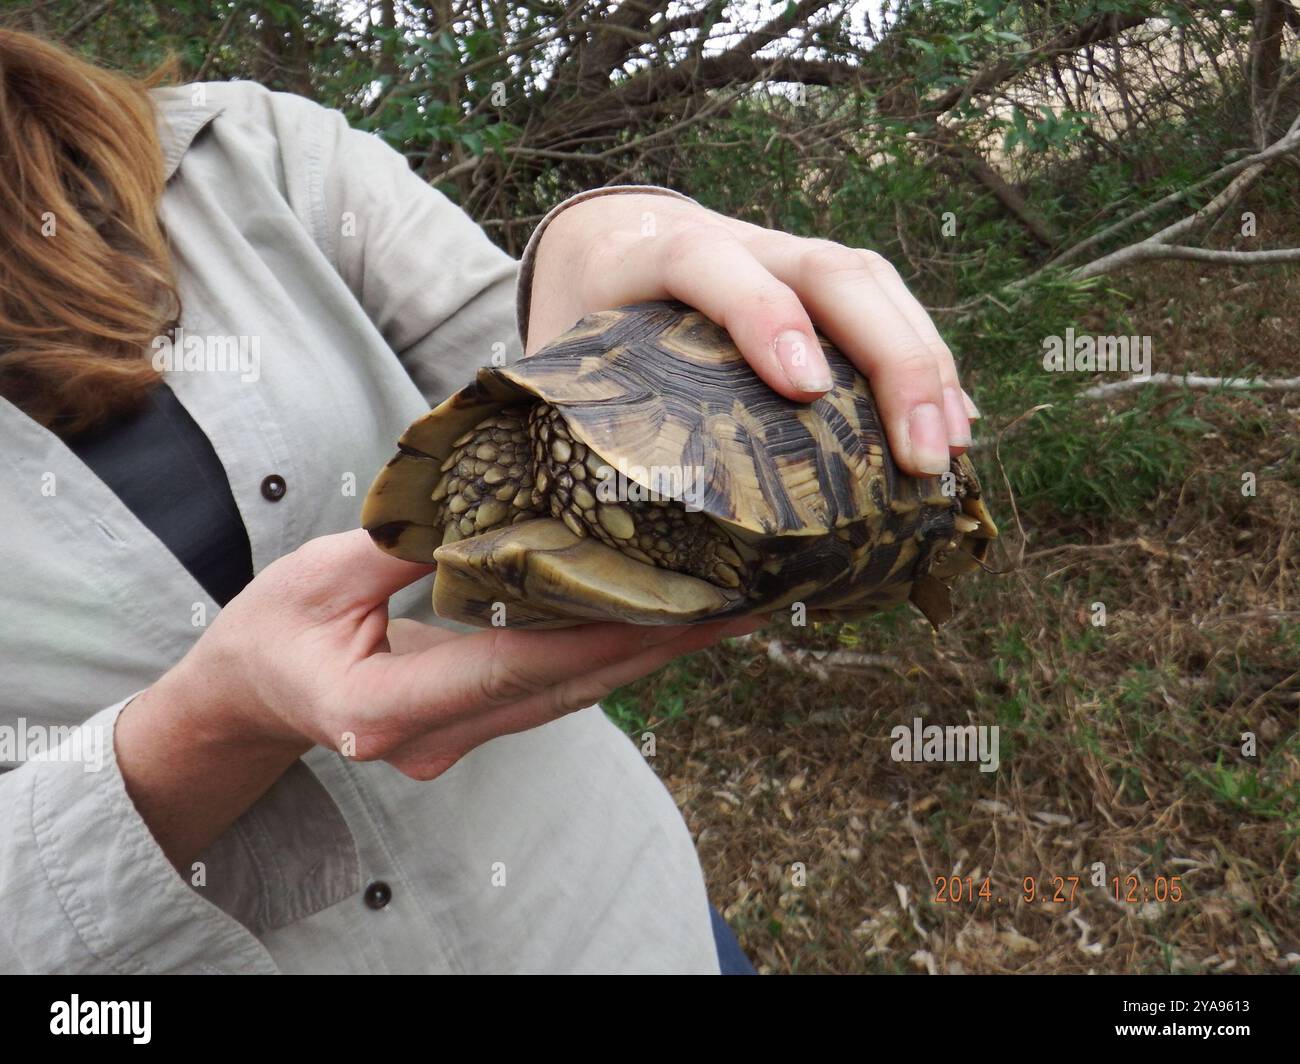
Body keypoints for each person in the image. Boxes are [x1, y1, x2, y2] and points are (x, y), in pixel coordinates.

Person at [0, 28, 978, 974]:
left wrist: (593, 241)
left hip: (615, 919)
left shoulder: (244, 153)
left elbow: (518, 337)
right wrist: (206, 729)